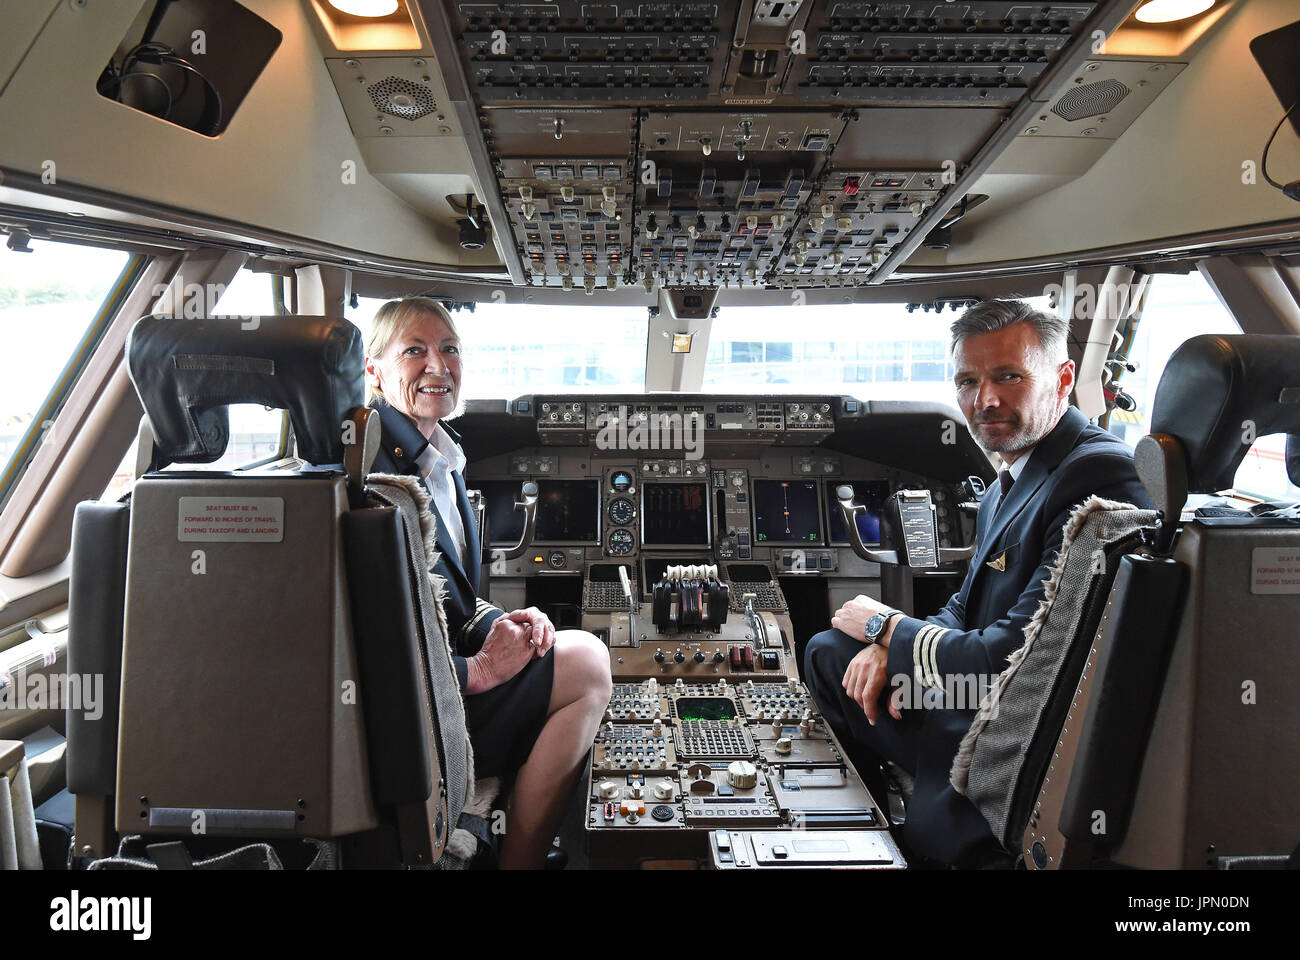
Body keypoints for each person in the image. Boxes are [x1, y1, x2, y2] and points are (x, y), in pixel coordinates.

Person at [803, 299, 1153, 866]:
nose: (985, 400)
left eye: (1008, 377)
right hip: (972, 691)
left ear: (1063, 379)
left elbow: (1008, 657)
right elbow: (964, 606)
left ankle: (939, 830)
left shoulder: (1095, 474)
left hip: (1014, 719)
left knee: (843, 643)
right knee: (830, 652)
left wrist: (882, 623)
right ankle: (871, 820)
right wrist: (882, 643)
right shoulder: (1008, 480)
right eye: (968, 381)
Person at [363, 296, 612, 869]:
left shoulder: (439, 459)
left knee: (555, 646)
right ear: (373, 371)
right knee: (589, 662)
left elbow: (445, 597)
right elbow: (362, 641)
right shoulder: (375, 479)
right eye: (415, 351)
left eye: (449, 348)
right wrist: (474, 673)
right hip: (413, 719)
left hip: (435, 691)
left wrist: (498, 622)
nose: (438, 365)